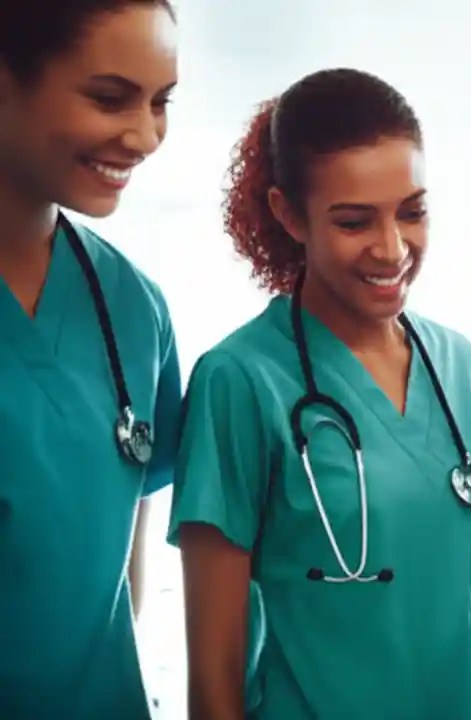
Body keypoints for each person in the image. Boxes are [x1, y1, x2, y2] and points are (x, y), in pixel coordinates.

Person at [168, 68, 471, 719]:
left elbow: (466, 605)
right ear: (288, 214)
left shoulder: (466, 366)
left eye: (413, 212)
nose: (392, 249)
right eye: (354, 222)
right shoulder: (240, 380)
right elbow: (213, 677)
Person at [0, 1, 180, 716]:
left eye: (161, 102)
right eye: (109, 98)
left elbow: (118, 569)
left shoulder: (134, 309)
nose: (145, 136)